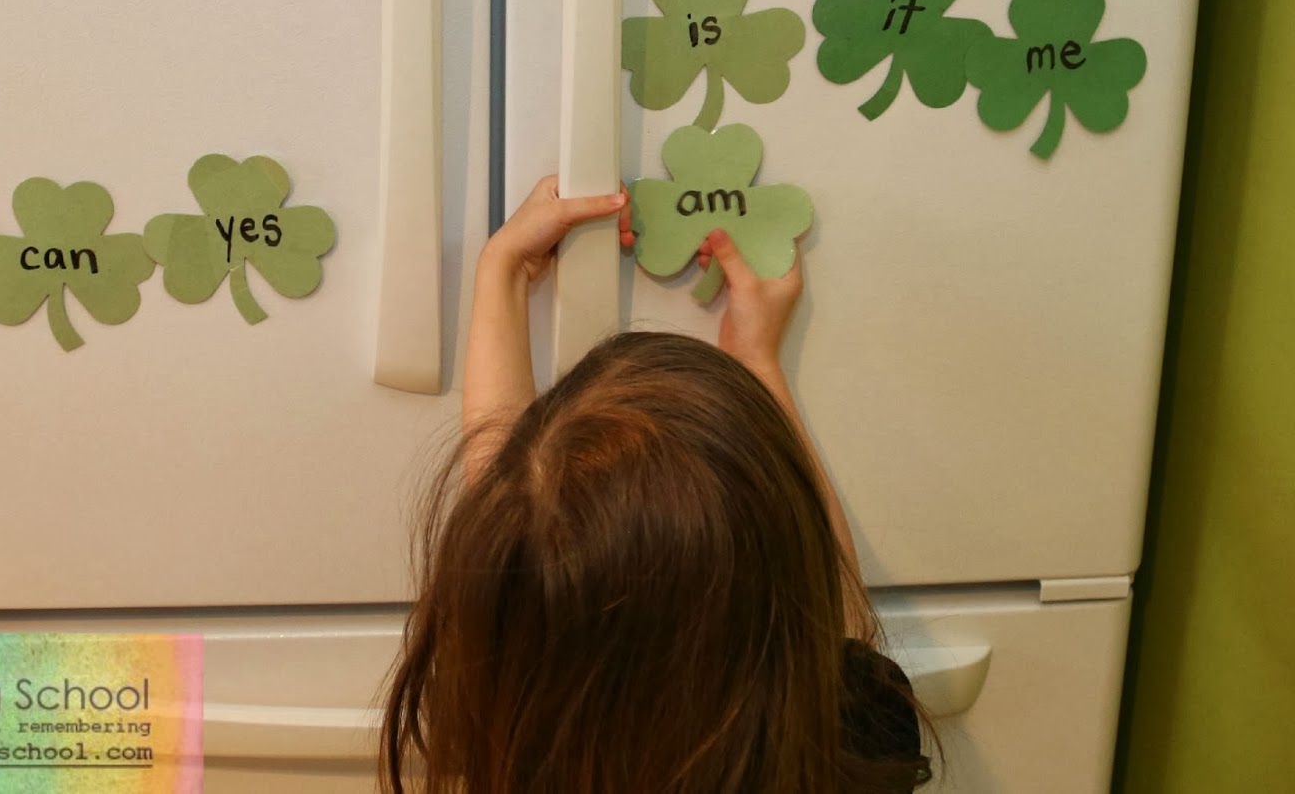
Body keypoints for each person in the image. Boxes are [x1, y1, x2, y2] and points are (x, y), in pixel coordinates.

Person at [380, 177, 933, 794]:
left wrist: (502, 273)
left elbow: (522, 536)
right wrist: (757, 358)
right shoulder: (839, 749)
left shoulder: (526, 744)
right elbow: (836, 621)